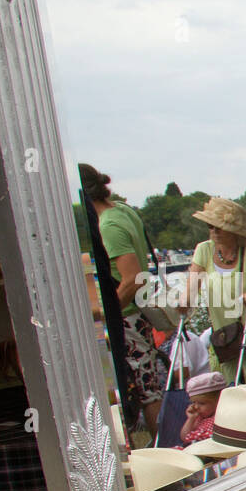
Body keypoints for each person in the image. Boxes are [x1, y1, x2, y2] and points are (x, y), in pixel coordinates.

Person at [78, 164, 164, 431]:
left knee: (145, 389)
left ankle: (160, 450)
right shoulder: (123, 209)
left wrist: (105, 319)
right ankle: (162, 446)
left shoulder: (109, 224)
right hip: (139, 313)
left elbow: (131, 278)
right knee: (148, 386)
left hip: (127, 318)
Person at [186, 197, 246, 384]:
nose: (214, 231)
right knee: (231, 392)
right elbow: (192, 286)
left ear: (233, 230)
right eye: (210, 226)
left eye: (219, 227)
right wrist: (182, 303)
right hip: (224, 340)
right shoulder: (204, 250)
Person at [179, 371, 224, 446]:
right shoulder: (199, 418)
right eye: (193, 402)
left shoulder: (222, 417)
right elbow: (184, 437)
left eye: (201, 403)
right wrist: (191, 419)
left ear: (219, 400)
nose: (196, 407)